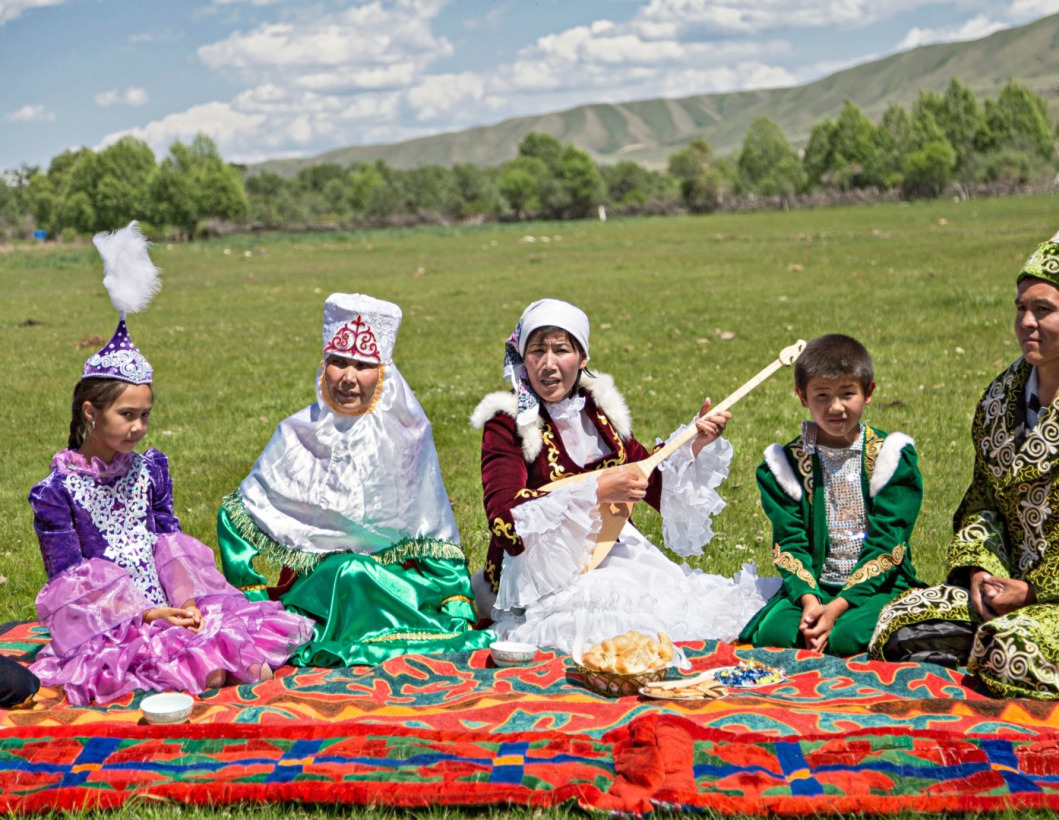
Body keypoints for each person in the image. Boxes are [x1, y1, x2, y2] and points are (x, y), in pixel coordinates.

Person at [869, 202, 1059, 701]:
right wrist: (983, 572)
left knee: (1011, 651)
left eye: (1044, 310)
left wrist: (1031, 592)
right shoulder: (1000, 399)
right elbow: (982, 502)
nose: (1026, 321)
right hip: (1007, 588)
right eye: (1020, 307)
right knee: (899, 620)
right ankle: (998, 639)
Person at [29, 223, 312, 706]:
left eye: (145, 415)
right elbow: (69, 582)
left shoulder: (151, 470)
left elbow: (169, 541)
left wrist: (184, 602)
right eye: (126, 416)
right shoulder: (56, 493)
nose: (139, 428)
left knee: (240, 652)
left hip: (170, 601)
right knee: (198, 671)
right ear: (90, 412)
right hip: (111, 621)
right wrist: (146, 614)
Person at [470, 298, 776, 656]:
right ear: (524, 357)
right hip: (539, 574)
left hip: (610, 552)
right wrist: (597, 489)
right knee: (601, 624)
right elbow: (504, 516)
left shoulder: (599, 412)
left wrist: (693, 444)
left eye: (561, 350)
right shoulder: (508, 421)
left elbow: (650, 478)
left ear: (582, 358)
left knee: (675, 604)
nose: (549, 365)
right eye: (537, 351)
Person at [218, 293, 493, 666]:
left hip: (398, 585)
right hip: (322, 585)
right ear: (323, 367)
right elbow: (237, 516)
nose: (348, 378)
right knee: (348, 572)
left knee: (360, 573)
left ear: (383, 375)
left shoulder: (406, 438)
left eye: (362, 365)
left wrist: (455, 600)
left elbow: (434, 533)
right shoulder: (296, 435)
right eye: (338, 363)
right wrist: (250, 594)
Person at [740, 335, 925, 655]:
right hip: (816, 586)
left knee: (845, 638)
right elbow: (790, 541)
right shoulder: (785, 465)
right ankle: (817, 618)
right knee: (777, 634)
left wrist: (836, 609)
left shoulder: (890, 458)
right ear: (802, 396)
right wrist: (811, 604)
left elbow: (888, 543)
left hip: (879, 586)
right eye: (822, 395)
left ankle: (853, 622)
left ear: (868, 393)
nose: (835, 407)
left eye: (847, 394)